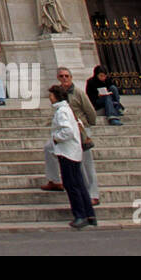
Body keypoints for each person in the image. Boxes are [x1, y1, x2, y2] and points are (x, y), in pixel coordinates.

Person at [40, 67, 100, 206]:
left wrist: (87, 127)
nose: (64, 78)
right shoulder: (59, 92)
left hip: (80, 131)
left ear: (71, 77)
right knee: (49, 148)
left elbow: (90, 111)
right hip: (65, 131)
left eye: (67, 76)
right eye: (61, 76)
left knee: (86, 163)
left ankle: (93, 194)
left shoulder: (78, 92)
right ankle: (54, 180)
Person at [49, 84, 94, 228]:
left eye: (51, 95)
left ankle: (80, 215)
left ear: (56, 96)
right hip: (74, 152)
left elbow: (67, 131)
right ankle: (90, 214)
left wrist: (56, 137)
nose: (49, 97)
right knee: (79, 184)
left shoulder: (61, 111)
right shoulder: (68, 109)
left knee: (71, 185)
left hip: (67, 152)